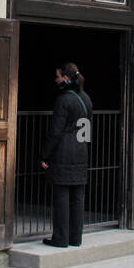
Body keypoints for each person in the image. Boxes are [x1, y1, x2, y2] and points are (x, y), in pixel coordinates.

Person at [39, 61, 93, 248]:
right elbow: (86, 129)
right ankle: (75, 238)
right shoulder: (86, 99)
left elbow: (56, 132)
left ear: (66, 78)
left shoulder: (63, 100)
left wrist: (45, 156)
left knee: (61, 196)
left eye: (58, 76)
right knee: (78, 198)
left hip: (63, 152)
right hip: (81, 151)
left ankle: (60, 238)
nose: (56, 80)